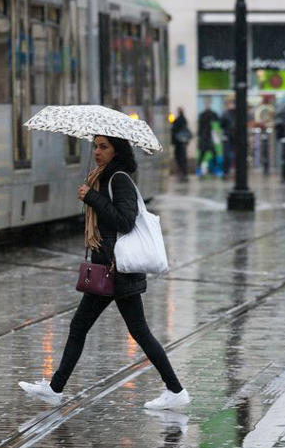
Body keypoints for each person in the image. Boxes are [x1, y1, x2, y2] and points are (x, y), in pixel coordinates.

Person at [19, 135, 190, 411]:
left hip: (117, 270)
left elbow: (125, 221)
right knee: (93, 327)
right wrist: (92, 196)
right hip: (111, 268)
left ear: (116, 151)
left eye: (104, 147)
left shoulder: (119, 178)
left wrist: (93, 198)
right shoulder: (102, 177)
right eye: (95, 146)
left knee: (128, 331)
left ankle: (175, 390)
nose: (97, 152)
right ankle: (55, 388)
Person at [196, 102, 219, 176]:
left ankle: (214, 169)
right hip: (205, 139)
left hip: (207, 139)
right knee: (204, 155)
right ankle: (200, 169)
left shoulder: (209, 115)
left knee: (211, 154)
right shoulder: (204, 115)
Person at [170, 108, 191, 181]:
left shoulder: (179, 120)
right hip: (182, 143)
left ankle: (182, 173)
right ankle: (183, 173)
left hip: (179, 143)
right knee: (182, 158)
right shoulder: (183, 119)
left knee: (180, 158)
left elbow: (174, 129)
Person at [219, 99, 236, 180]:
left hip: (235, 137)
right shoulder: (225, 114)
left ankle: (233, 170)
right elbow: (221, 124)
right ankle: (226, 171)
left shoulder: (236, 114)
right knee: (226, 155)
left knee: (235, 155)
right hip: (227, 137)